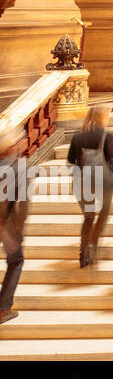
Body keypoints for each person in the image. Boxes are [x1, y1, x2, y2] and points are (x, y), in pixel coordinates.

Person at [66, 104, 113, 266]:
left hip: (82, 182)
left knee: (88, 218)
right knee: (104, 214)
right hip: (103, 182)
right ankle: (93, 247)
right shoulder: (106, 135)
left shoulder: (77, 136)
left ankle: (83, 253)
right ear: (103, 117)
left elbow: (70, 161)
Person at [0, 135, 28, 324]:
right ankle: (3, 309)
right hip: (5, 222)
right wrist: (19, 228)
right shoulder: (19, 168)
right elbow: (23, 203)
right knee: (16, 260)